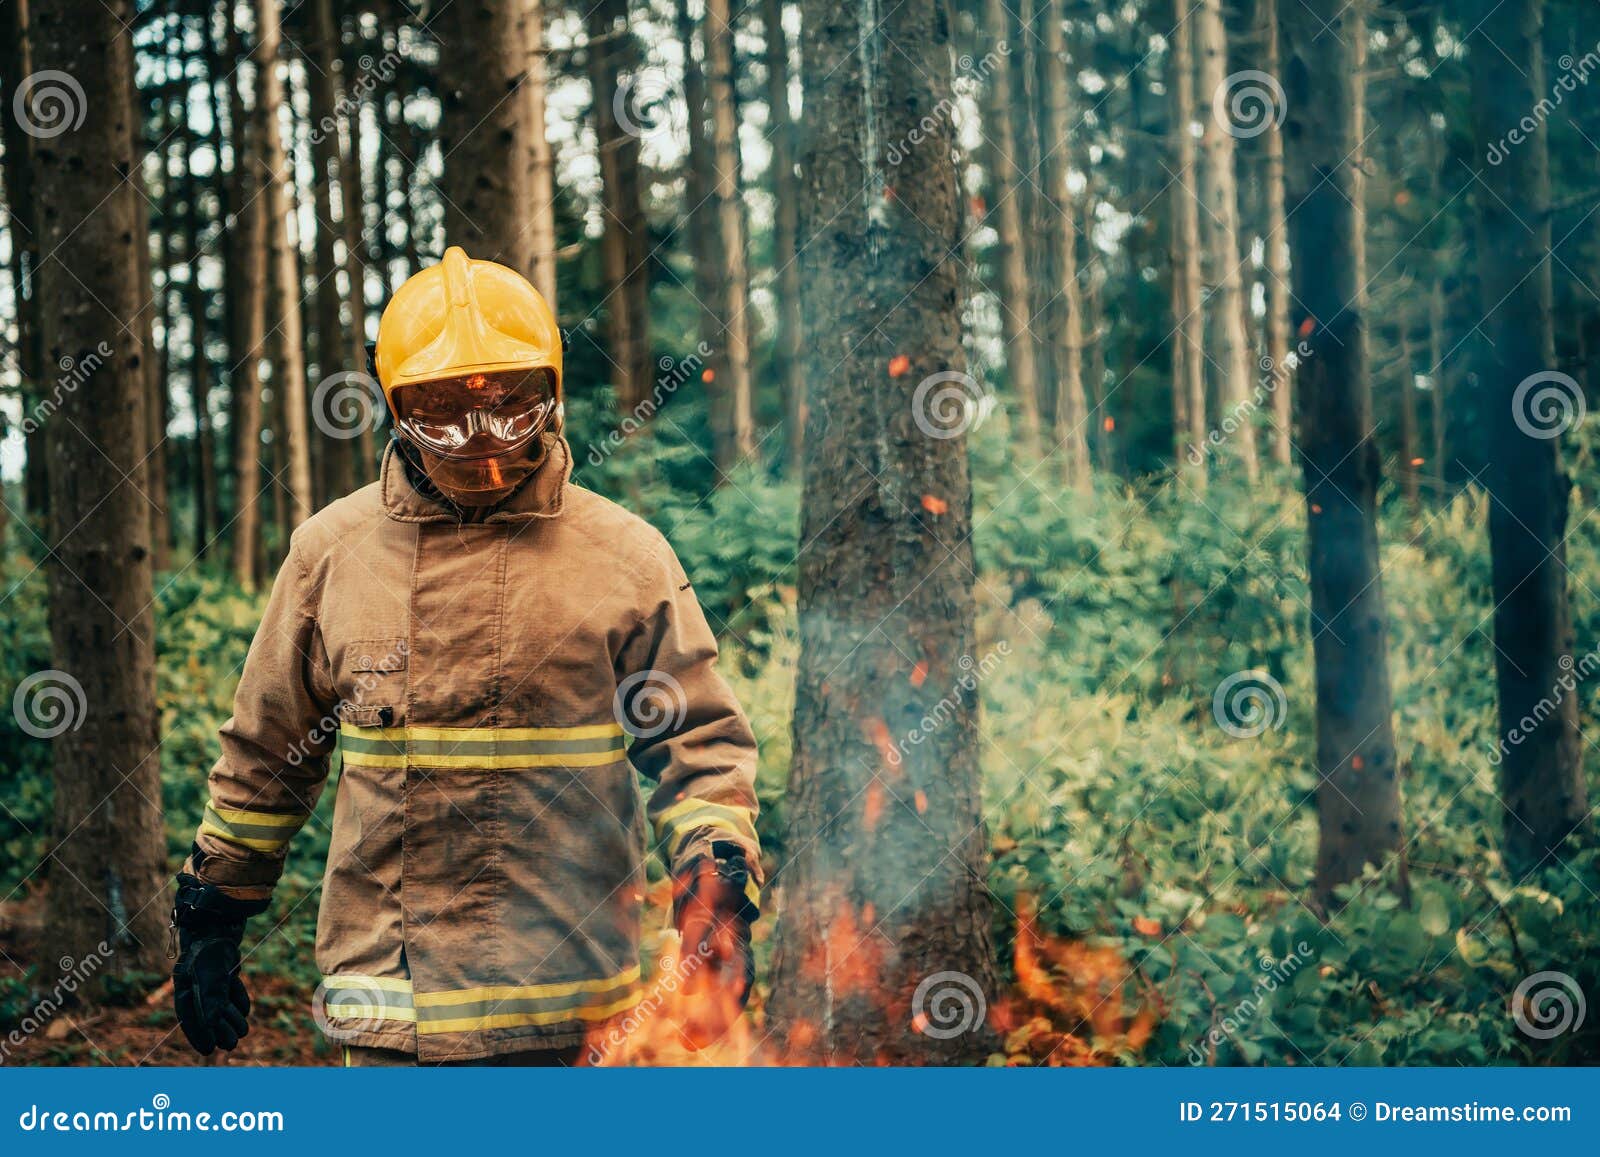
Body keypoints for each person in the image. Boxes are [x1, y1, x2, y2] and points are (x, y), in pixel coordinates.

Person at [169, 247, 762, 1066]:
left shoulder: (625, 559)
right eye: (444, 411)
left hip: (578, 1025)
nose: (479, 439)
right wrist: (213, 913)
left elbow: (699, 749)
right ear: (394, 407)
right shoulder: (329, 558)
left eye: (507, 405)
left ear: (550, 395)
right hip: (391, 1027)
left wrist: (715, 893)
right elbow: (268, 757)